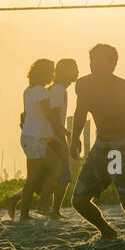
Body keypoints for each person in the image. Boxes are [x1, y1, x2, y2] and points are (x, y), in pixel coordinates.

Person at [71, 44, 125, 243]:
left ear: (113, 64)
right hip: (102, 146)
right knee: (79, 201)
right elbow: (80, 112)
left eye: (99, 61)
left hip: (123, 148)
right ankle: (108, 232)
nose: (94, 65)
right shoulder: (83, 85)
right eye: (92, 60)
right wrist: (74, 139)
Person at [2, 59, 61, 221]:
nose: (53, 74)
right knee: (37, 175)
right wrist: (61, 129)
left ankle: (16, 203)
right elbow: (48, 114)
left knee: (50, 169)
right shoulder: (41, 91)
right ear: (45, 73)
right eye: (51, 70)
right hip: (35, 138)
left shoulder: (28, 90)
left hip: (32, 137)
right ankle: (27, 212)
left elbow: (26, 114)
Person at [37, 58, 80, 217]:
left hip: (50, 137)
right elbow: (53, 116)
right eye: (74, 68)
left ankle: (50, 209)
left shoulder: (59, 89)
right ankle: (51, 209)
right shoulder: (58, 89)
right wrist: (63, 139)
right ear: (65, 72)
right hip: (52, 138)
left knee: (50, 176)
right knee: (64, 177)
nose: (77, 71)